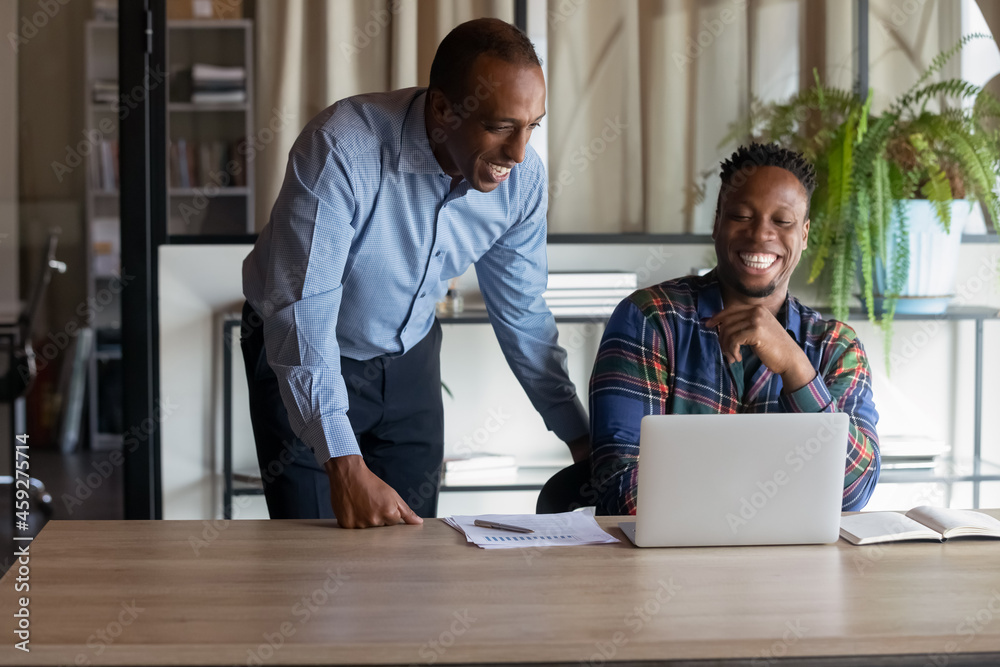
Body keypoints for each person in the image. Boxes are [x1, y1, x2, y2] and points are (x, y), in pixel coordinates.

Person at [241, 18, 590, 528]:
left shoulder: (522, 178)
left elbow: (523, 316)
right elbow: (302, 313)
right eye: (499, 126)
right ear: (444, 108)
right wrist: (343, 461)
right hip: (304, 353)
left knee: (408, 565)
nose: (519, 153)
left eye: (532, 125)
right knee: (313, 562)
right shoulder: (342, 148)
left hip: (412, 363)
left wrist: (581, 440)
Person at [589, 143, 880, 515]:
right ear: (717, 223)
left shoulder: (836, 347)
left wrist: (797, 369)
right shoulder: (650, 320)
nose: (760, 235)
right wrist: (762, 498)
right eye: (742, 216)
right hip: (666, 567)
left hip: (793, 570)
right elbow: (621, 491)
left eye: (783, 222)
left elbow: (852, 492)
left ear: (804, 235)